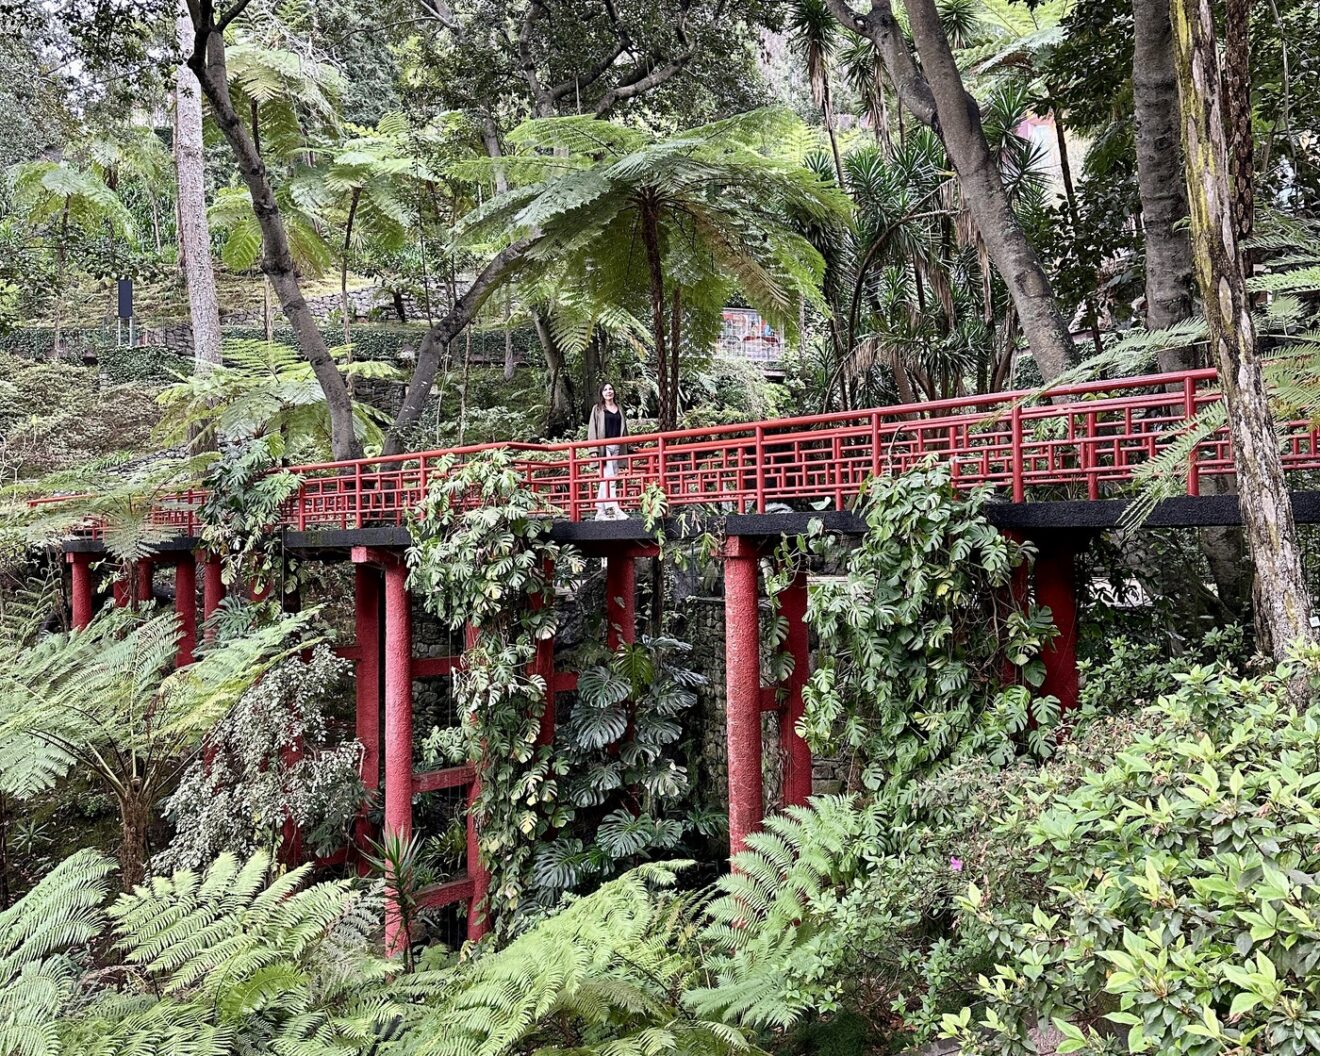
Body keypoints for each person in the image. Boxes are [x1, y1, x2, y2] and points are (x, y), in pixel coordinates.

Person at [587, 383, 628, 519]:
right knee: (610, 478)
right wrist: (593, 450)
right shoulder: (597, 409)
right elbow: (592, 429)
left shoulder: (619, 408)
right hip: (603, 448)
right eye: (605, 389)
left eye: (610, 389)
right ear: (601, 393)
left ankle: (600, 511)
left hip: (617, 446)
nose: (608, 391)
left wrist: (628, 447)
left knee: (607, 479)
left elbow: (624, 429)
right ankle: (615, 509)